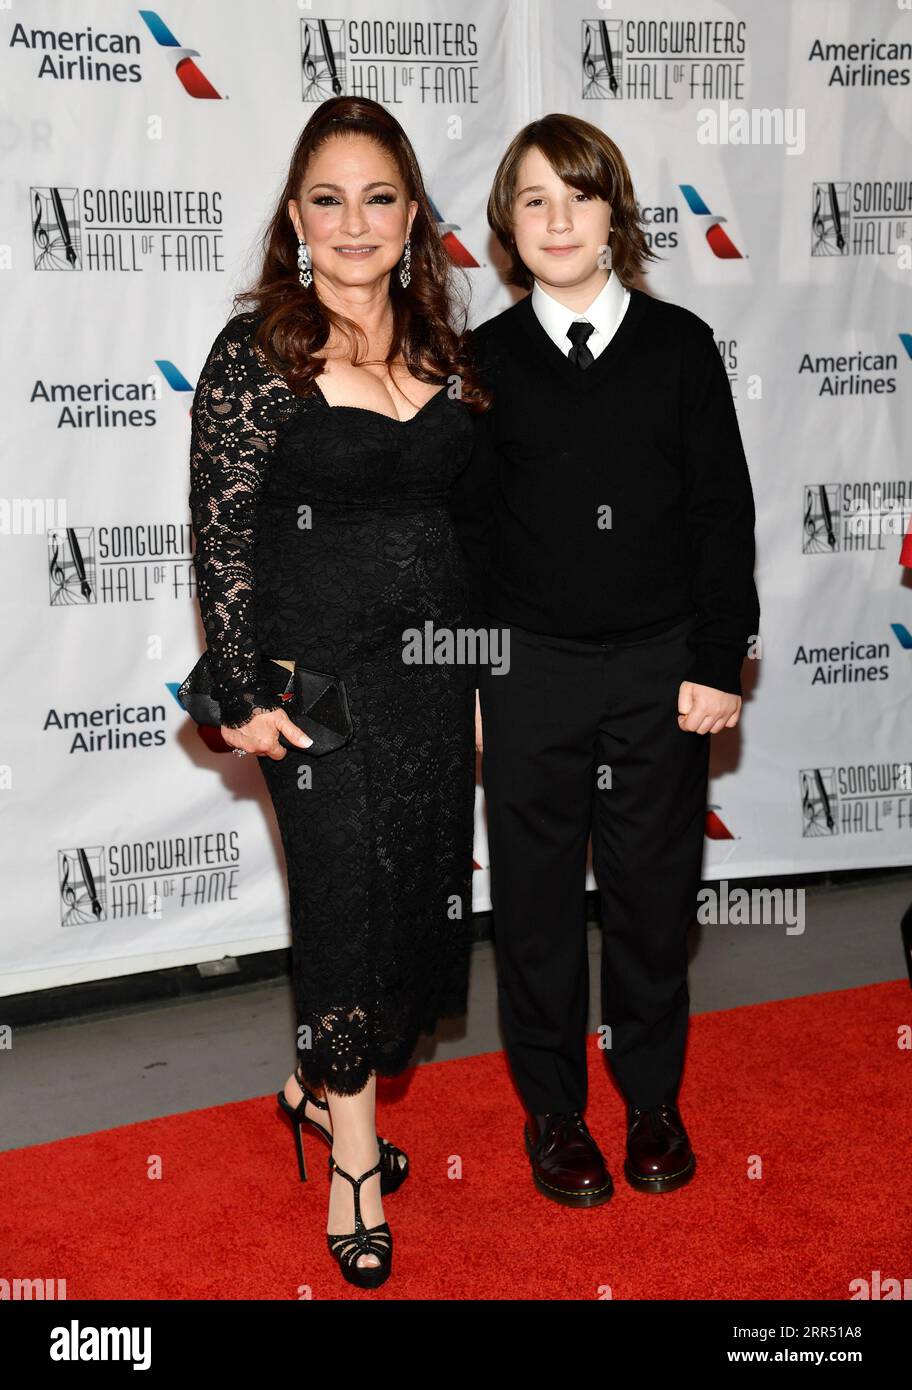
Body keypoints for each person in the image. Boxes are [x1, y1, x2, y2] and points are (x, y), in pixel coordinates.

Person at [188, 96, 487, 1288]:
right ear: (295, 219)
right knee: (341, 908)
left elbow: (465, 529)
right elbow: (220, 537)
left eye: (379, 197)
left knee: (414, 899)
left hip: (430, 680)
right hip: (312, 690)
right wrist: (241, 691)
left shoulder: (442, 351)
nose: (354, 222)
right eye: (328, 198)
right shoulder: (258, 353)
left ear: (412, 215)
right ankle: (355, 1161)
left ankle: (316, 1087)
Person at [450, 113, 761, 1206]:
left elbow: (722, 512)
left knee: (649, 899)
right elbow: (469, 540)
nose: (557, 219)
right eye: (533, 200)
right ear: (506, 225)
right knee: (533, 906)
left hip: (660, 669)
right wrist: (476, 683)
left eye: (577, 196)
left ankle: (653, 1099)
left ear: (613, 213)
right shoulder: (480, 362)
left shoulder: (677, 347)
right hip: (527, 673)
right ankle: (554, 1113)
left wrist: (719, 657)